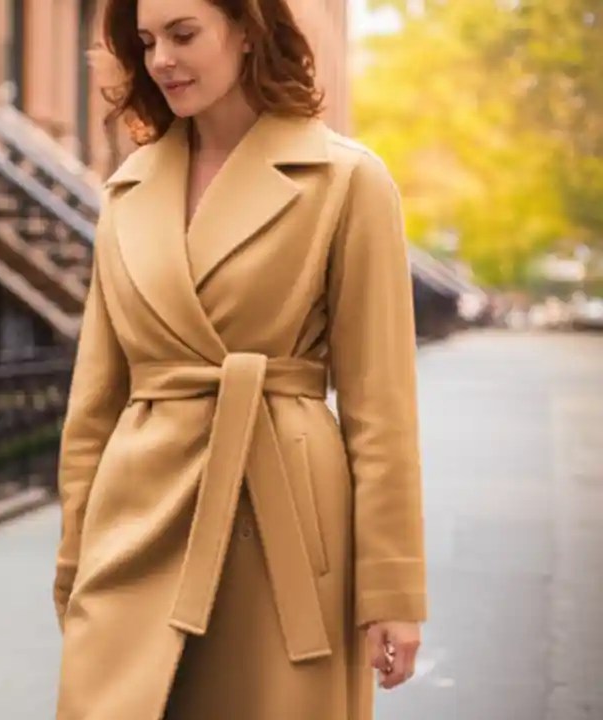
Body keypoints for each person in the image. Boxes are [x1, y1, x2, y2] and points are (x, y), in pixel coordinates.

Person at [52, 0, 427, 718]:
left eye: (184, 34)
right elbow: (94, 400)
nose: (161, 59)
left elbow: (381, 410)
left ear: (248, 30)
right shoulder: (126, 192)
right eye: (147, 41)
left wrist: (393, 590)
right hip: (137, 520)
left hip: (280, 519)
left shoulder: (347, 181)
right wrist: (75, 559)